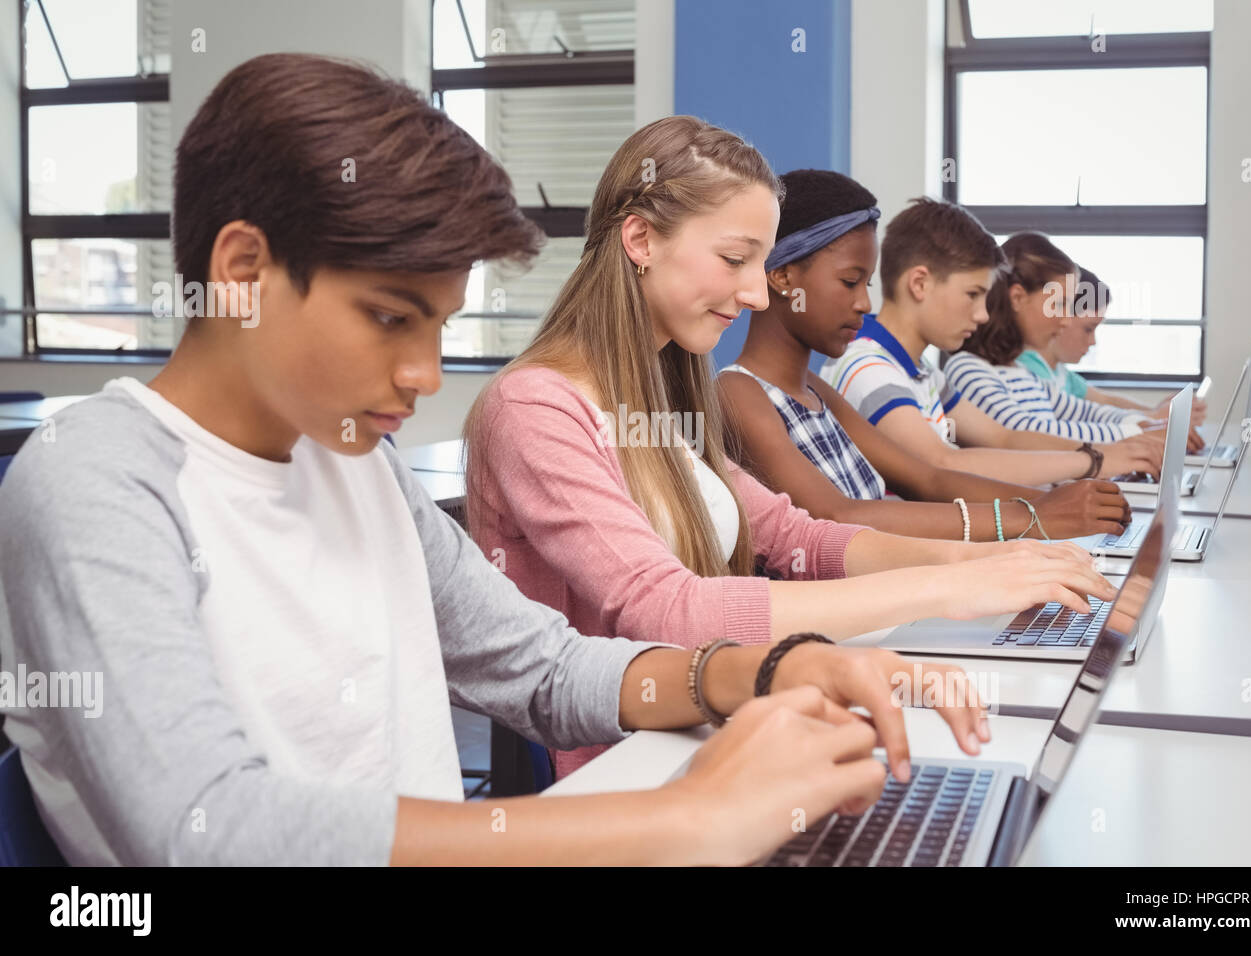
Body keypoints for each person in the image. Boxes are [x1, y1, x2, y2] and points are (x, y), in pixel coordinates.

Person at [0, 54, 995, 867]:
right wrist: (679, 818)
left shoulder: (353, 457)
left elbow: (542, 664)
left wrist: (763, 669)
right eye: (392, 317)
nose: (428, 374)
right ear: (244, 270)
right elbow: (206, 827)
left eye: (438, 325)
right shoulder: (96, 477)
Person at [463, 116, 1116, 778]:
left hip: (711, 733)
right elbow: (669, 609)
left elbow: (800, 536)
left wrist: (992, 562)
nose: (754, 293)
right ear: (641, 239)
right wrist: (949, 586)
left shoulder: (660, 400)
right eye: (734, 259)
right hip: (622, 773)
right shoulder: (534, 409)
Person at [720, 170, 1142, 538]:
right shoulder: (739, 392)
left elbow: (929, 479)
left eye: (866, 284)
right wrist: (1031, 516)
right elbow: (837, 516)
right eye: (850, 282)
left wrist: (1058, 504)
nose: (865, 304)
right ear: (781, 277)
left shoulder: (814, 389)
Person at [943, 231, 1169, 449]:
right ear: (1018, 298)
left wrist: (1148, 424)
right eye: (1058, 305)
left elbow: (1086, 412)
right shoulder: (968, 369)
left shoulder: (1022, 373)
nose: (1065, 320)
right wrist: (1137, 434)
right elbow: (1029, 433)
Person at [1019, 266, 1207, 444]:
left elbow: (1104, 401)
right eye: (1088, 329)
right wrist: (1152, 421)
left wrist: (1154, 413)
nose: (1093, 341)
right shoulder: (1028, 370)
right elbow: (1058, 433)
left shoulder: (1059, 372)